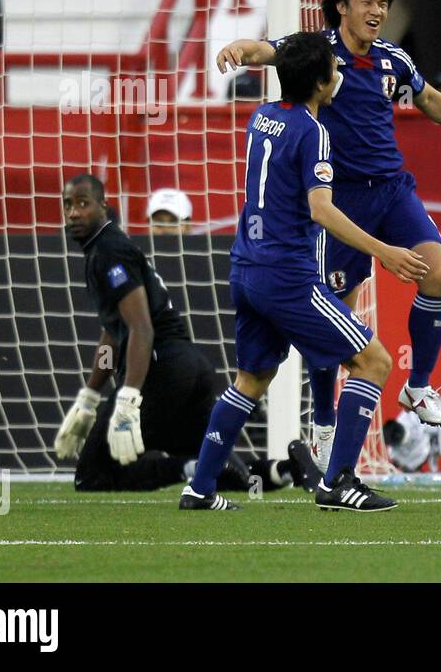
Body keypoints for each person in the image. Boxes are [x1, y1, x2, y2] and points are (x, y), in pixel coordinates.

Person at [214, 0, 441, 472]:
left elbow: (428, 100)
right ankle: (325, 419)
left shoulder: (392, 60)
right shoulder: (318, 52)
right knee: (338, 318)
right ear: (341, 7)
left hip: (393, 190)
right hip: (341, 200)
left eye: (383, 3)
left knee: (438, 272)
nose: (376, 10)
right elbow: (268, 51)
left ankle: (419, 385)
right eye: (367, 2)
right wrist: (243, 48)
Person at [181, 31, 429, 512]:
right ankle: (339, 483)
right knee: (374, 361)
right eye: (334, 70)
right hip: (287, 276)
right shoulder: (314, 132)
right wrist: (386, 251)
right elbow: (322, 209)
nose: (339, 75)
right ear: (322, 83)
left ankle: (201, 487)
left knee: (251, 378)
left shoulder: (264, 116)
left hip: (246, 267)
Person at [54, 174, 299, 493]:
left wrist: (128, 399)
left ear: (103, 207)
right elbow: (113, 334)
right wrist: (89, 397)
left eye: (83, 204)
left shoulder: (108, 251)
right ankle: (286, 470)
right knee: (210, 456)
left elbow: (141, 327)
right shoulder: (105, 248)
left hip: (162, 372)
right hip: (191, 369)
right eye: (68, 205)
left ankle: (188, 469)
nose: (73, 212)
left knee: (91, 475)